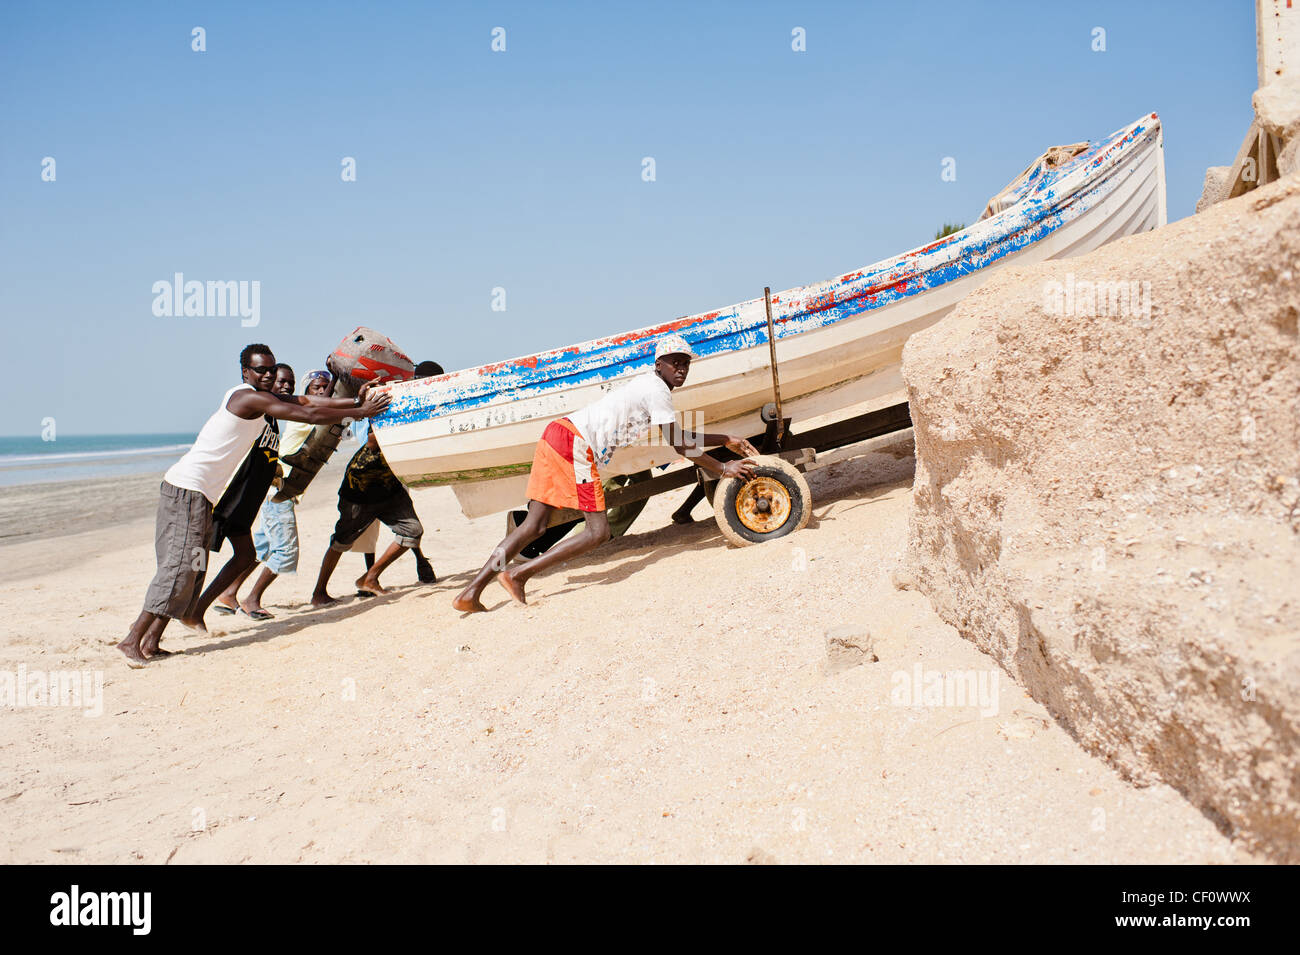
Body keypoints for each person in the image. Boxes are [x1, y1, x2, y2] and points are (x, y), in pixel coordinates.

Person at [115, 345, 390, 667]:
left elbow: (307, 400)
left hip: (201, 496)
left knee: (194, 567)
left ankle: (151, 640)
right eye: (261, 369)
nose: (268, 374)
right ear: (245, 372)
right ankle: (131, 640)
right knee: (180, 568)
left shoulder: (264, 398)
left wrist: (356, 401)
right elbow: (308, 414)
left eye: (271, 369)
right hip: (186, 490)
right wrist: (360, 412)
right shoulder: (247, 397)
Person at [452, 335, 759, 613]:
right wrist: (722, 467)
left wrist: (726, 439)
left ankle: (470, 591)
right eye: (675, 362)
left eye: (686, 363)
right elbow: (680, 446)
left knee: (534, 526)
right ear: (659, 365)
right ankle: (518, 574)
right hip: (575, 443)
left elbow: (679, 436)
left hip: (557, 433)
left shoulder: (648, 387)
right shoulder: (657, 391)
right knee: (597, 532)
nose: (681, 369)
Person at [309, 362, 443, 605]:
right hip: (361, 486)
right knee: (342, 541)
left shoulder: (420, 409)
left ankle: (370, 578)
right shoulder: (394, 403)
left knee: (412, 531)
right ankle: (319, 592)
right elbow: (372, 441)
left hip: (389, 485)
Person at [213, 367, 332, 619]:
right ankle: (252, 600)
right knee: (285, 551)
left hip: (278, 490)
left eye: (325, 386)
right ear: (306, 391)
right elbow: (324, 406)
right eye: (316, 387)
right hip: (277, 491)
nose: (322, 391)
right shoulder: (304, 417)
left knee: (262, 548)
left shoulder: (316, 413)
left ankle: (228, 594)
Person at [351, 360, 443, 584]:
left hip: (392, 469)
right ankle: (372, 577)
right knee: (373, 528)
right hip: (372, 473)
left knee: (404, 523)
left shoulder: (391, 398)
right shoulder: (378, 401)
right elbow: (368, 437)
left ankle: (378, 575)